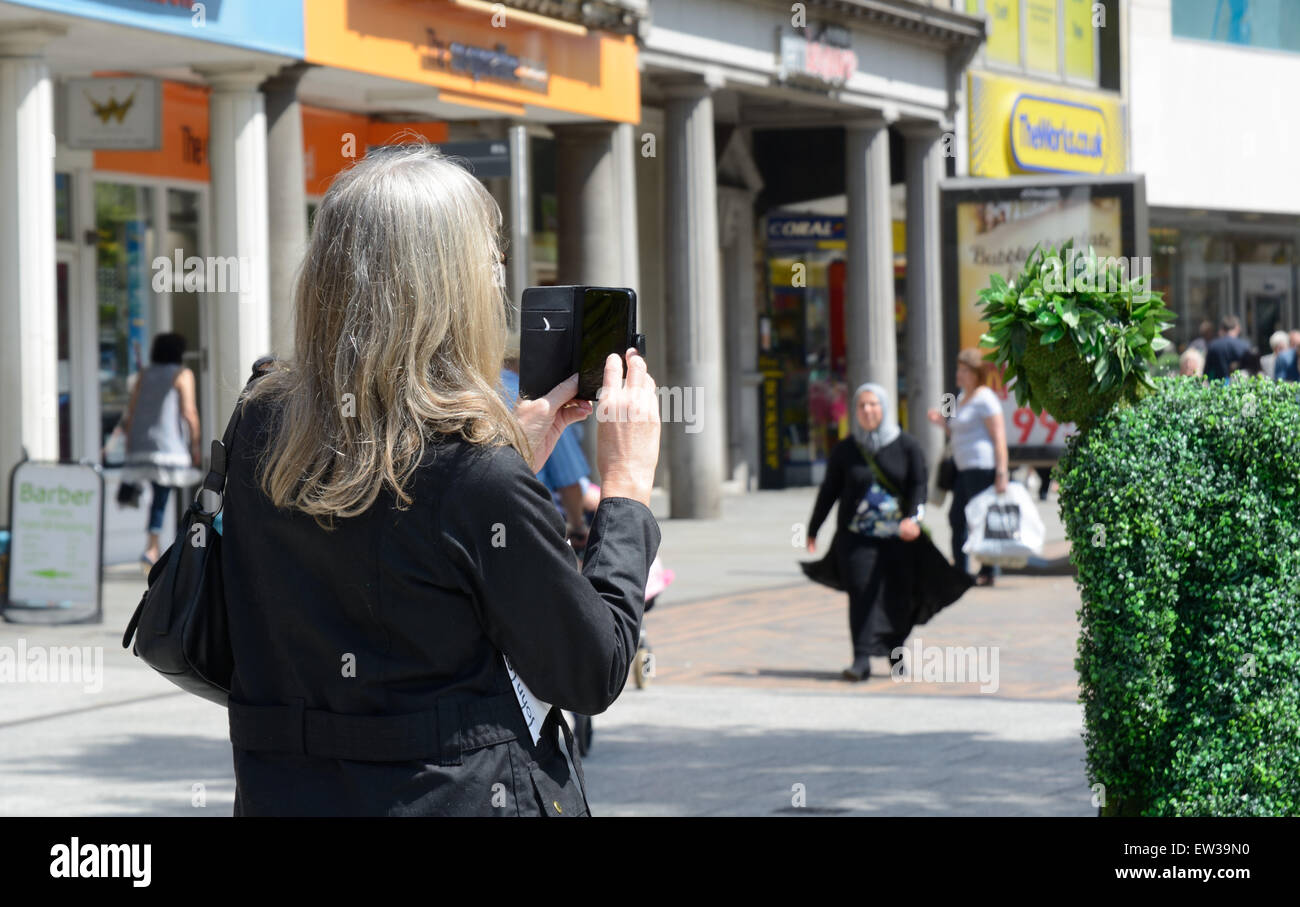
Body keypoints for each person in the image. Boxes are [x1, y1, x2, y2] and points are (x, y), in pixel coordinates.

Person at [219, 143, 662, 816]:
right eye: (490, 264)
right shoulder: (473, 474)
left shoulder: (258, 429)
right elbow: (590, 668)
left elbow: (392, 543)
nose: (497, 285)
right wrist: (626, 486)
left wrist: (511, 457)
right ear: (451, 290)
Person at [806, 383, 928, 681]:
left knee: (896, 597)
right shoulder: (846, 450)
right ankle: (861, 659)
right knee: (861, 593)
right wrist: (813, 528)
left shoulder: (907, 446)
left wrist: (913, 518)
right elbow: (829, 491)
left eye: (873, 404)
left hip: (897, 538)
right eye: (861, 405)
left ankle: (895, 654)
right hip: (855, 537)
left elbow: (918, 486)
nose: (867, 410)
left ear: (884, 408)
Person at [927, 349, 1009, 587]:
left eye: (964, 370)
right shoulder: (959, 397)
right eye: (958, 369)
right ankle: (961, 569)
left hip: (982, 467)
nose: (959, 374)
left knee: (980, 519)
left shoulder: (985, 398)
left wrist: (1002, 472)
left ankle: (988, 568)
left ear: (976, 374)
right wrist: (940, 423)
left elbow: (999, 436)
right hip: (963, 468)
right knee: (957, 518)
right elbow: (957, 432)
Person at [120, 332, 202, 569]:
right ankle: (154, 546)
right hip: (167, 446)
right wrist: (195, 444)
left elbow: (132, 411)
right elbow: (189, 412)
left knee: (157, 495)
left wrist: (129, 444)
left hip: (141, 443)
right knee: (162, 496)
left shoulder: (145, 374)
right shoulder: (182, 374)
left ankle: (155, 543)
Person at [1203, 314, 1252, 381]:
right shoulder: (1244, 345)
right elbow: (1250, 370)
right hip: (1239, 386)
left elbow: (1207, 372)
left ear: (1222, 329)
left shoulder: (1213, 345)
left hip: (1219, 386)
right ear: (1237, 328)